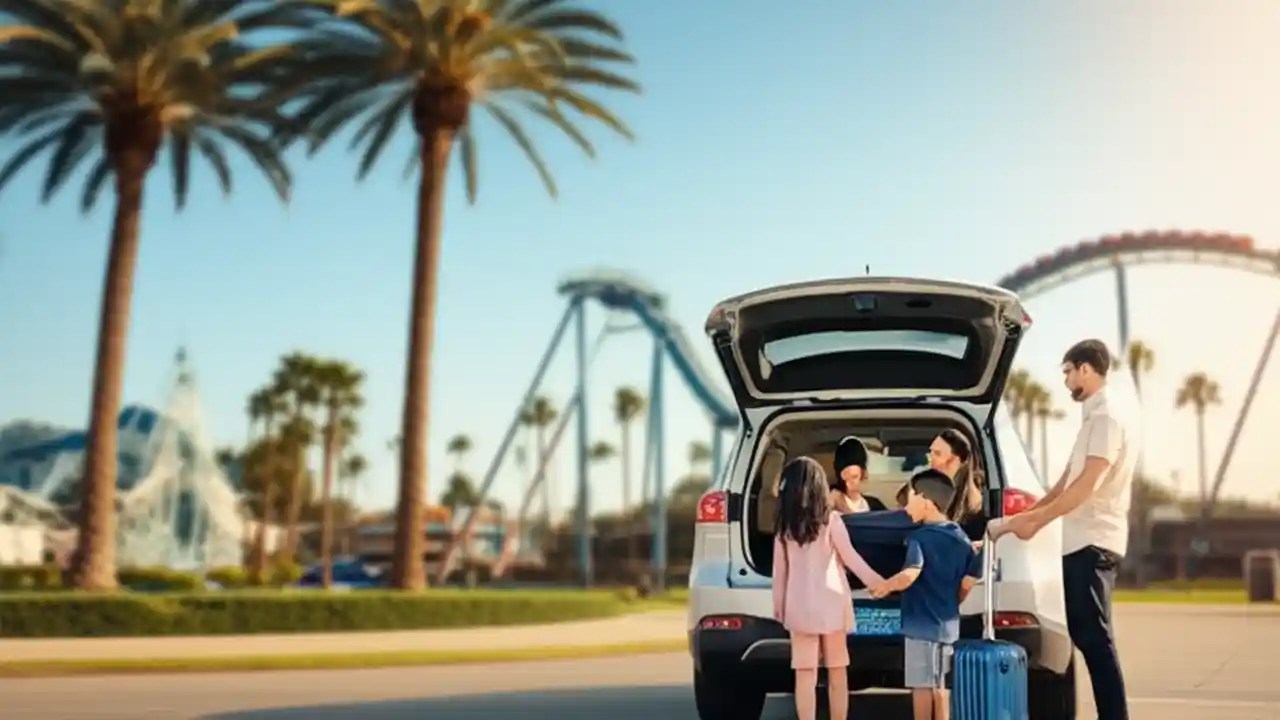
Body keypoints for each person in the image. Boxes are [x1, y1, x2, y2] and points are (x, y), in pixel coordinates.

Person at [989, 339, 1139, 720]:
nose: (1066, 381)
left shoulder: (1106, 418)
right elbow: (1062, 486)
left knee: (1095, 640)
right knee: (1088, 635)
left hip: (1094, 541)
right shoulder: (1093, 419)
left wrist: (1037, 521)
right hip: (1081, 542)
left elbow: (1087, 485)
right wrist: (1015, 522)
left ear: (1086, 369)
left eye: (1069, 372)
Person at [773, 456, 886, 720]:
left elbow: (781, 573)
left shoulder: (784, 528)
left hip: (799, 608)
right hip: (832, 605)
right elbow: (851, 558)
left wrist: (779, 607)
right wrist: (878, 583)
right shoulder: (832, 520)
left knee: (805, 674)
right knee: (837, 670)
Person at [869, 469, 982, 720]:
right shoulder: (961, 539)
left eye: (911, 498)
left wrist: (886, 586)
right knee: (941, 687)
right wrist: (954, 603)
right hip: (948, 626)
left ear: (927, 503)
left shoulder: (918, 539)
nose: (906, 507)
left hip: (920, 626)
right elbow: (966, 583)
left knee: (921, 686)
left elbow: (911, 572)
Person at [831, 435, 888, 513]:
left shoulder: (875, 506)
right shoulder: (830, 504)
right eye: (846, 478)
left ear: (863, 474)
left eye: (855, 477)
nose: (850, 483)